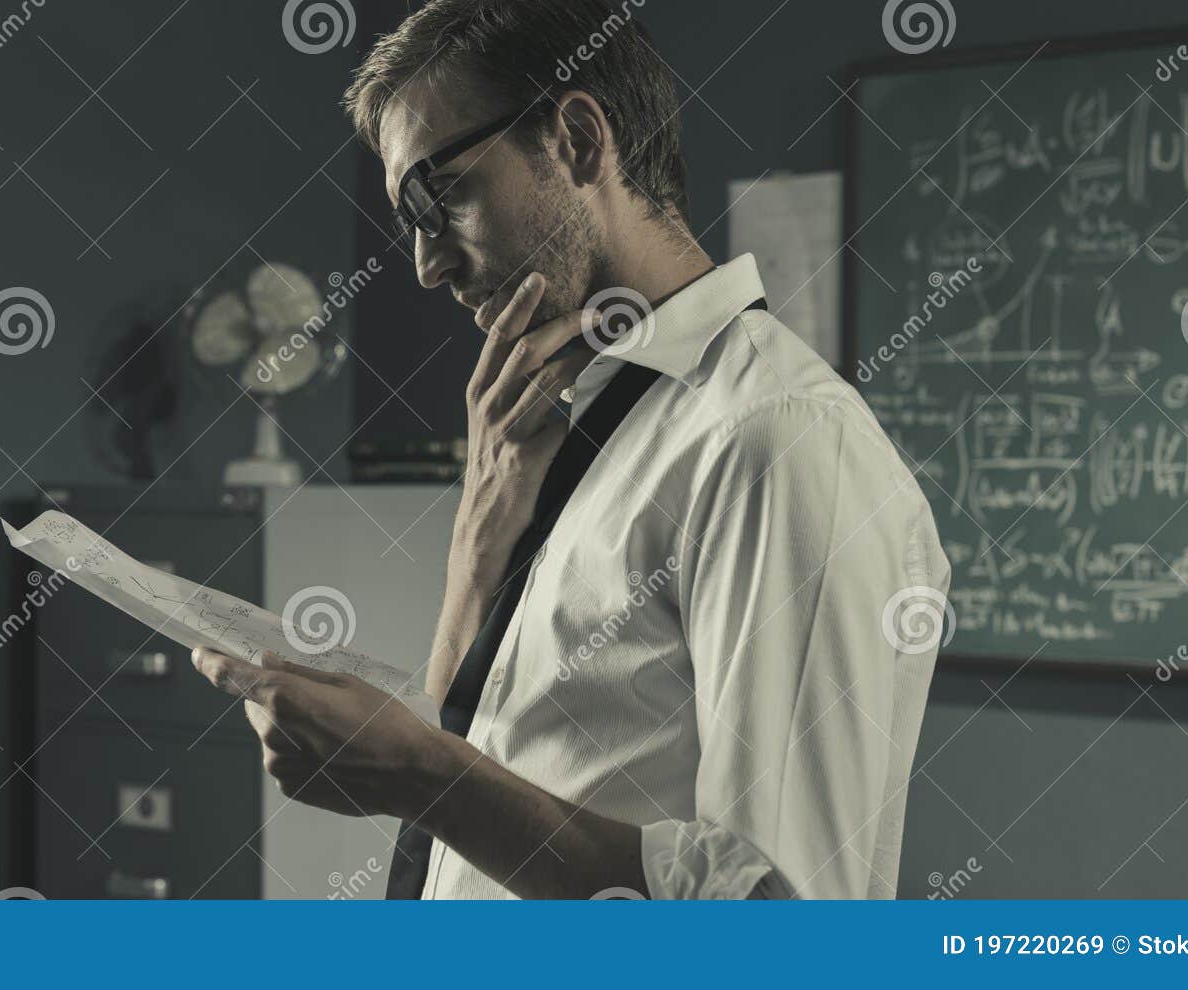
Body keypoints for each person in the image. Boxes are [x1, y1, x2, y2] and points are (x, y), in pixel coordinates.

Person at [193, 0, 951, 900]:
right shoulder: (556, 433)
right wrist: (474, 563)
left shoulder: (776, 441)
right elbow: (488, 760)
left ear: (579, 142)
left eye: (437, 197)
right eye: (407, 220)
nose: (427, 265)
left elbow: (786, 917)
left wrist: (418, 777)